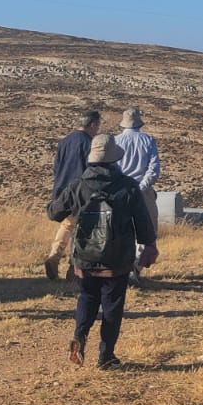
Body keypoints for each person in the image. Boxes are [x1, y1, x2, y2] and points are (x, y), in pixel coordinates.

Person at [47, 133, 156, 370]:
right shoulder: (128, 186)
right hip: (117, 261)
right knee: (112, 307)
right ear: (114, 159)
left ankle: (80, 334)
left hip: (85, 259)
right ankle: (106, 356)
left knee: (87, 297)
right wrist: (149, 245)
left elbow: (53, 213)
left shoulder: (78, 186)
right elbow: (143, 222)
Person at [45, 110, 100, 280]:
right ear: (92, 124)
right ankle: (73, 267)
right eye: (97, 125)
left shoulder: (65, 141)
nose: (98, 129)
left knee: (67, 225)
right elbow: (91, 170)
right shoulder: (89, 143)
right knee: (81, 229)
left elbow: (56, 168)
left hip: (62, 190)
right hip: (81, 192)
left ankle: (54, 256)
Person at [115, 108, 161, 282]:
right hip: (143, 190)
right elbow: (154, 168)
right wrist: (142, 186)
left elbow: (113, 166)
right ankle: (136, 266)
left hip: (121, 190)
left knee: (122, 228)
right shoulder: (148, 140)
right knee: (146, 228)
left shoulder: (116, 141)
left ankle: (124, 265)